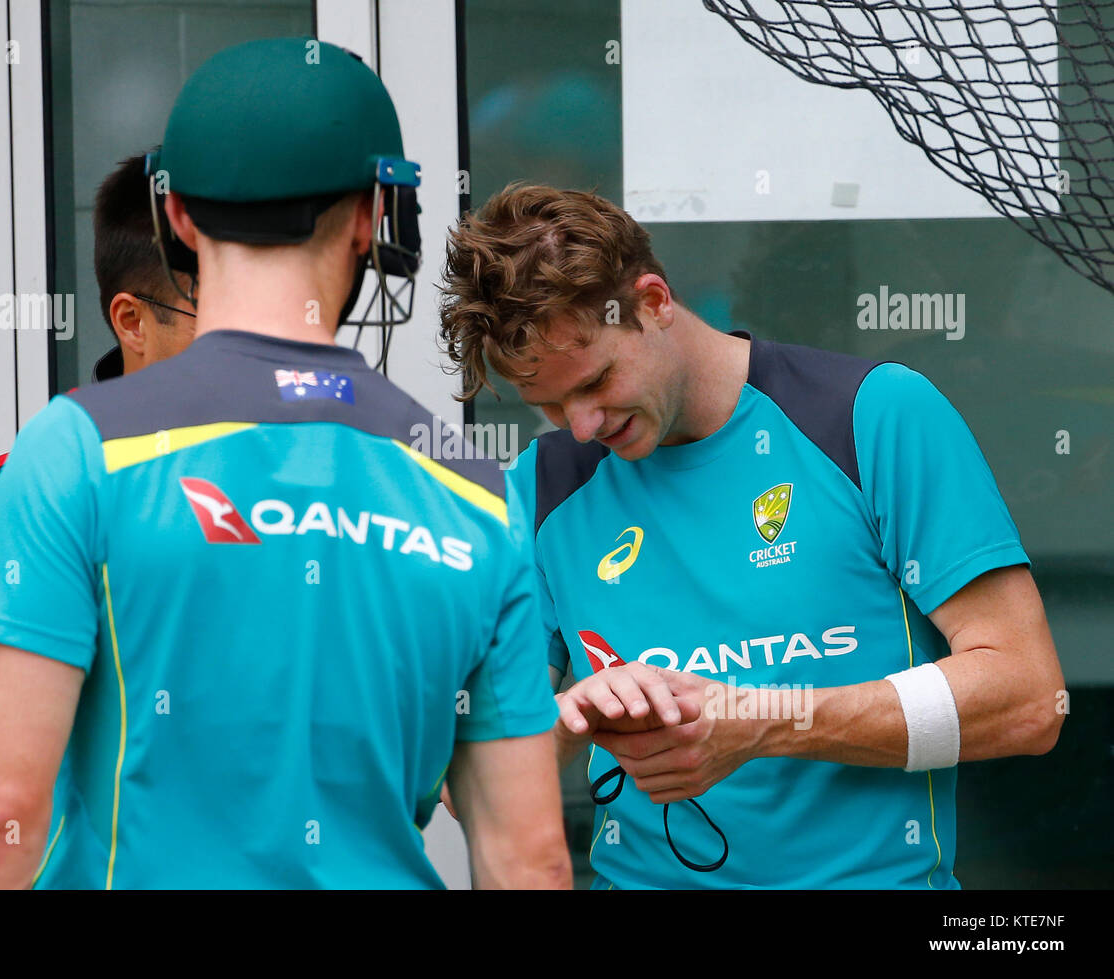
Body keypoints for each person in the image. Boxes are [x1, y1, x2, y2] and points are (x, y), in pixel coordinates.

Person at [0, 39, 568, 890]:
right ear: (375, 220)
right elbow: (530, 859)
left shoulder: (80, 447)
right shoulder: (475, 490)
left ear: (177, 218)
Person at [438, 182, 1065, 889]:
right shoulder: (538, 489)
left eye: (596, 381)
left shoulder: (872, 417)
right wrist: (569, 719)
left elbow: (1029, 700)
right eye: (547, 404)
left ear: (654, 302)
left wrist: (764, 720)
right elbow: (468, 792)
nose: (581, 426)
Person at [0, 151, 198, 700]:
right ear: (132, 322)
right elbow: (39, 760)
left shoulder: (300, 475)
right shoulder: (18, 500)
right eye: (211, 310)